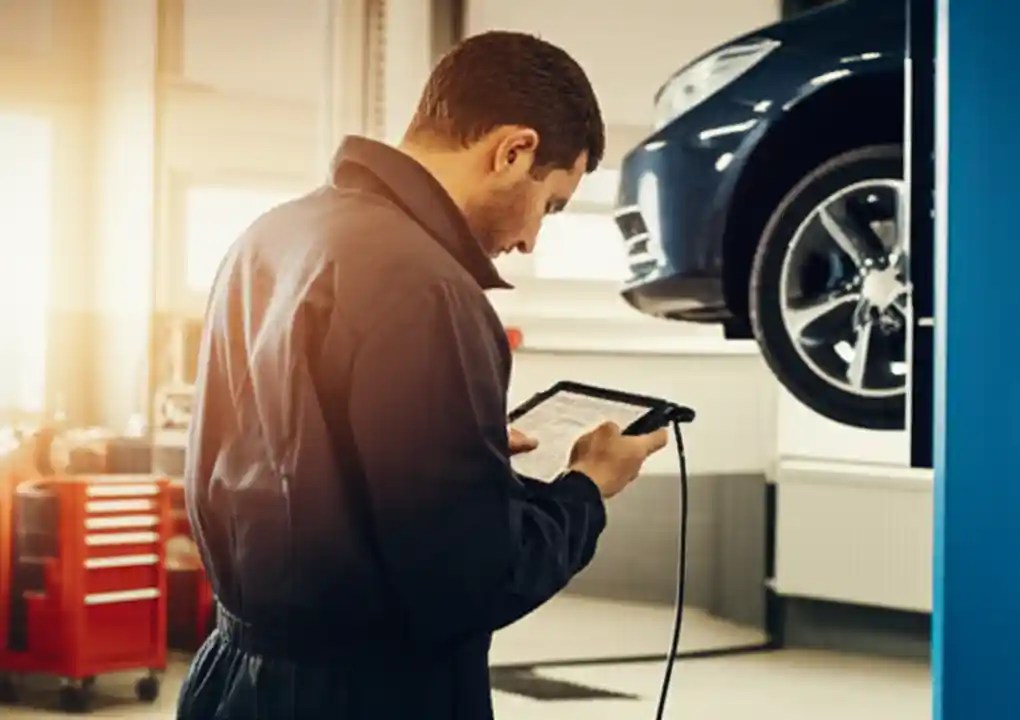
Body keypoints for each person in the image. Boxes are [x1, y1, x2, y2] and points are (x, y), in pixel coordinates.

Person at [177, 30, 669, 719]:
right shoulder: (428, 285)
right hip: (368, 694)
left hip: (230, 677)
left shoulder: (271, 236)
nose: (532, 240)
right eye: (551, 204)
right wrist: (587, 488)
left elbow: (306, 450)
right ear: (513, 150)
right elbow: (473, 581)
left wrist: (461, 441)